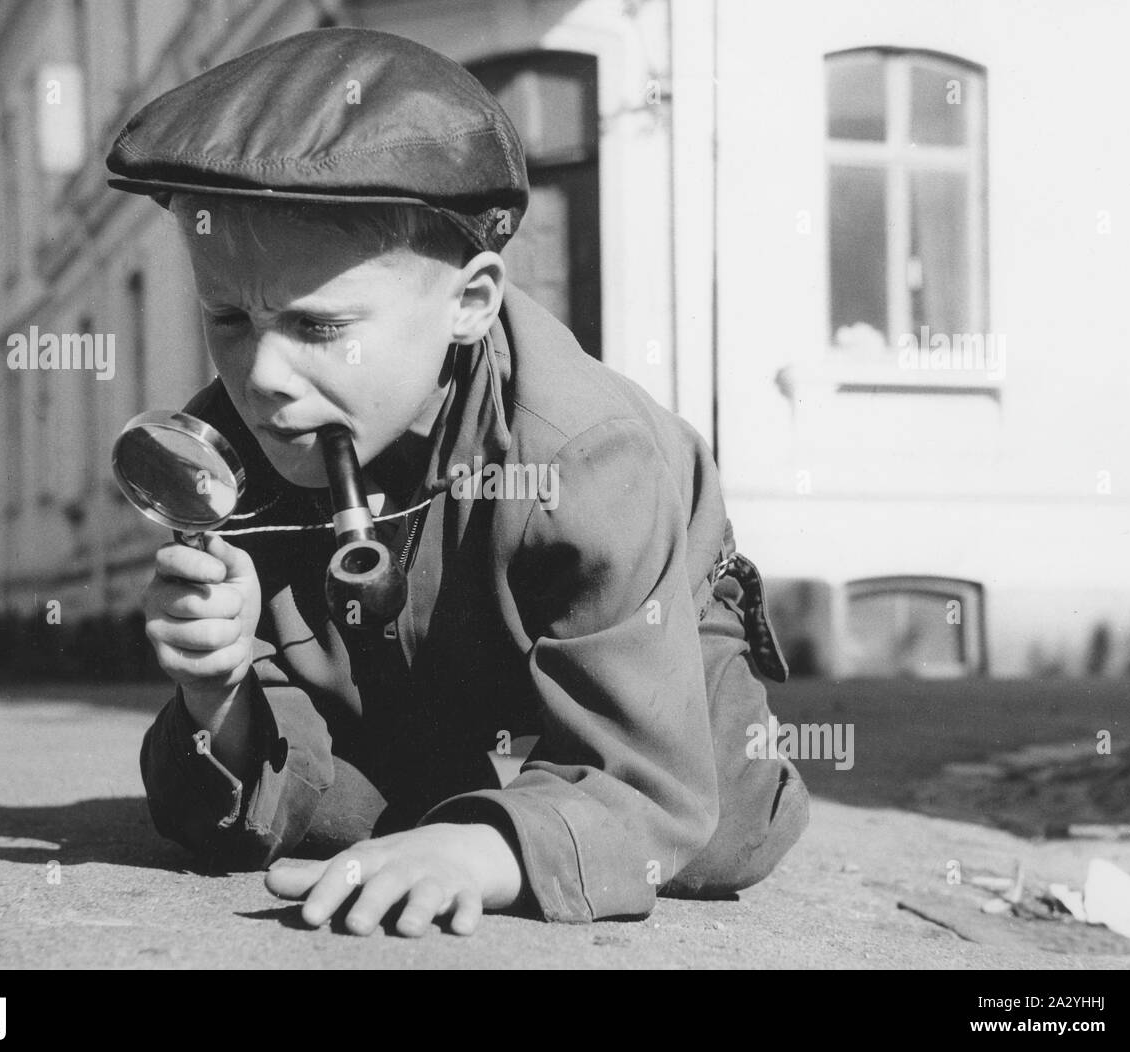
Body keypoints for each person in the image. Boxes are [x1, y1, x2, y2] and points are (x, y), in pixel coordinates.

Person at [107, 26, 807, 938]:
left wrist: (481, 853)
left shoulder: (589, 458)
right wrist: (217, 691)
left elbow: (651, 788)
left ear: (471, 302)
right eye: (229, 318)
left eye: (319, 329)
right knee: (350, 810)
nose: (264, 375)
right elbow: (243, 787)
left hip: (650, 603)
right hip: (420, 649)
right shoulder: (232, 452)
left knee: (710, 833)